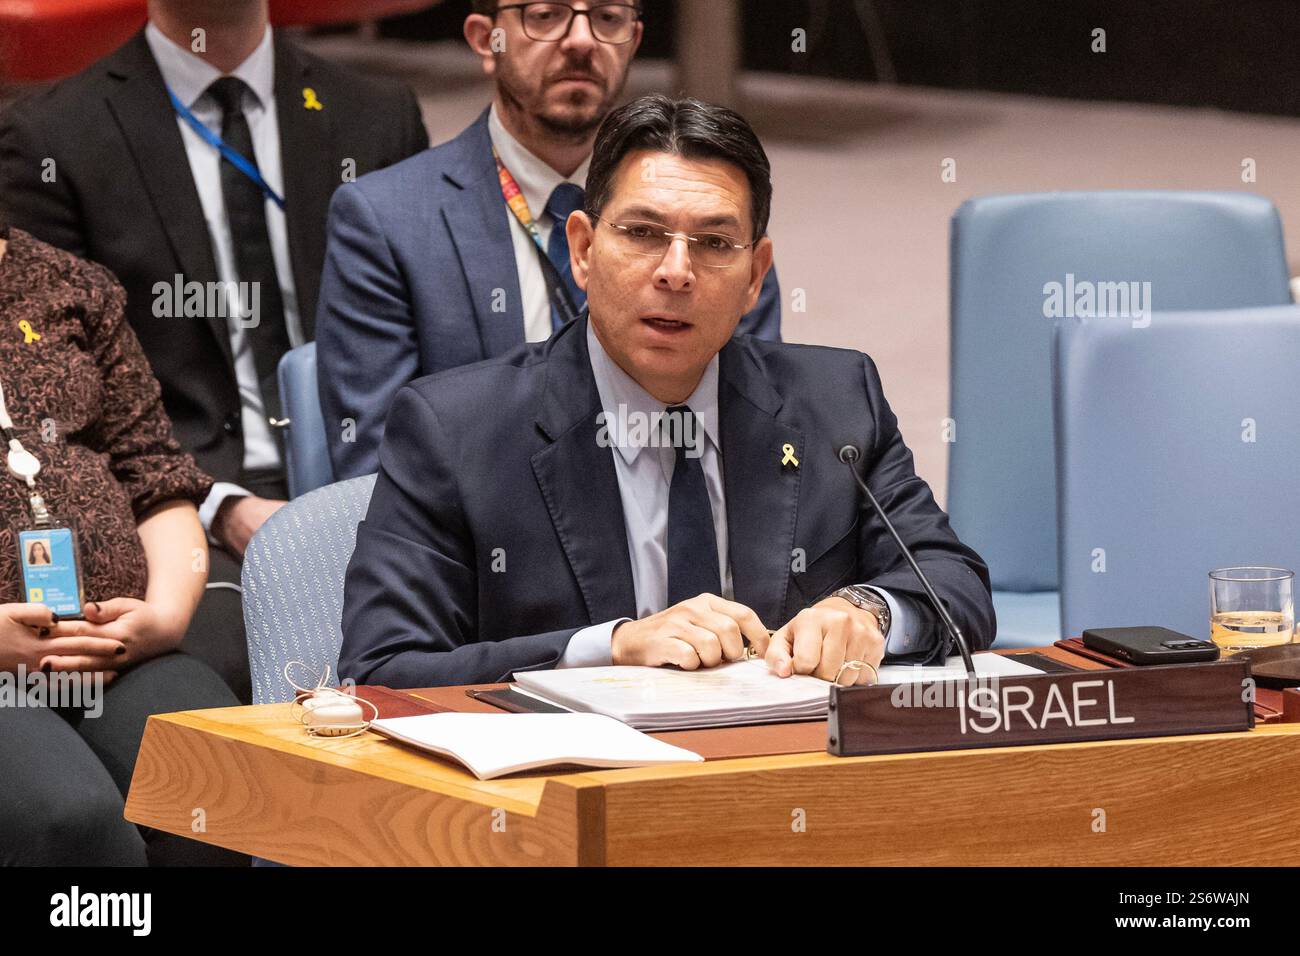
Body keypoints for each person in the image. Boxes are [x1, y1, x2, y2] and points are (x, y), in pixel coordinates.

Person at [337, 95, 995, 690]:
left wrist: (872, 612)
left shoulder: (836, 400)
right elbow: (383, 666)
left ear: (755, 277)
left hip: (785, 781)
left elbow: (955, 583)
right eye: (643, 234)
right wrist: (609, 648)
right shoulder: (457, 430)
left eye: (713, 243)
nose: (676, 272)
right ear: (583, 249)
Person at [0, 0, 429, 701]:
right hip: (191, 516)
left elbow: (421, 346)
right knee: (226, 681)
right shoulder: (53, 134)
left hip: (375, 496)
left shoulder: (376, 114)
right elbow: (61, 397)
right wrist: (222, 506)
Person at [316, 0, 783, 481]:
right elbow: (380, 472)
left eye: (607, 18)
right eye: (545, 15)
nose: (582, 41)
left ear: (634, 40)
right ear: (484, 39)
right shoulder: (387, 220)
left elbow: (752, 426)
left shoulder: (711, 222)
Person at [0, 223, 241, 865]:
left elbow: (155, 476)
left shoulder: (71, 285)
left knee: (224, 783)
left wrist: (163, 617)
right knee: (68, 820)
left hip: (116, 647)